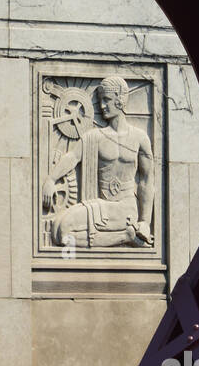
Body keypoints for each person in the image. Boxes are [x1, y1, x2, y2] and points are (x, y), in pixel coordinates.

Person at [41, 76, 154, 247]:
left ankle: (129, 235)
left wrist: (145, 221)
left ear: (120, 99)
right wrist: (50, 180)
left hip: (126, 207)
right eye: (101, 101)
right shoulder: (95, 136)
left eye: (107, 100)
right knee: (60, 231)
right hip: (102, 204)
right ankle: (127, 235)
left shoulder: (140, 138)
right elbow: (72, 157)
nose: (102, 106)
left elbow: (146, 180)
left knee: (63, 230)